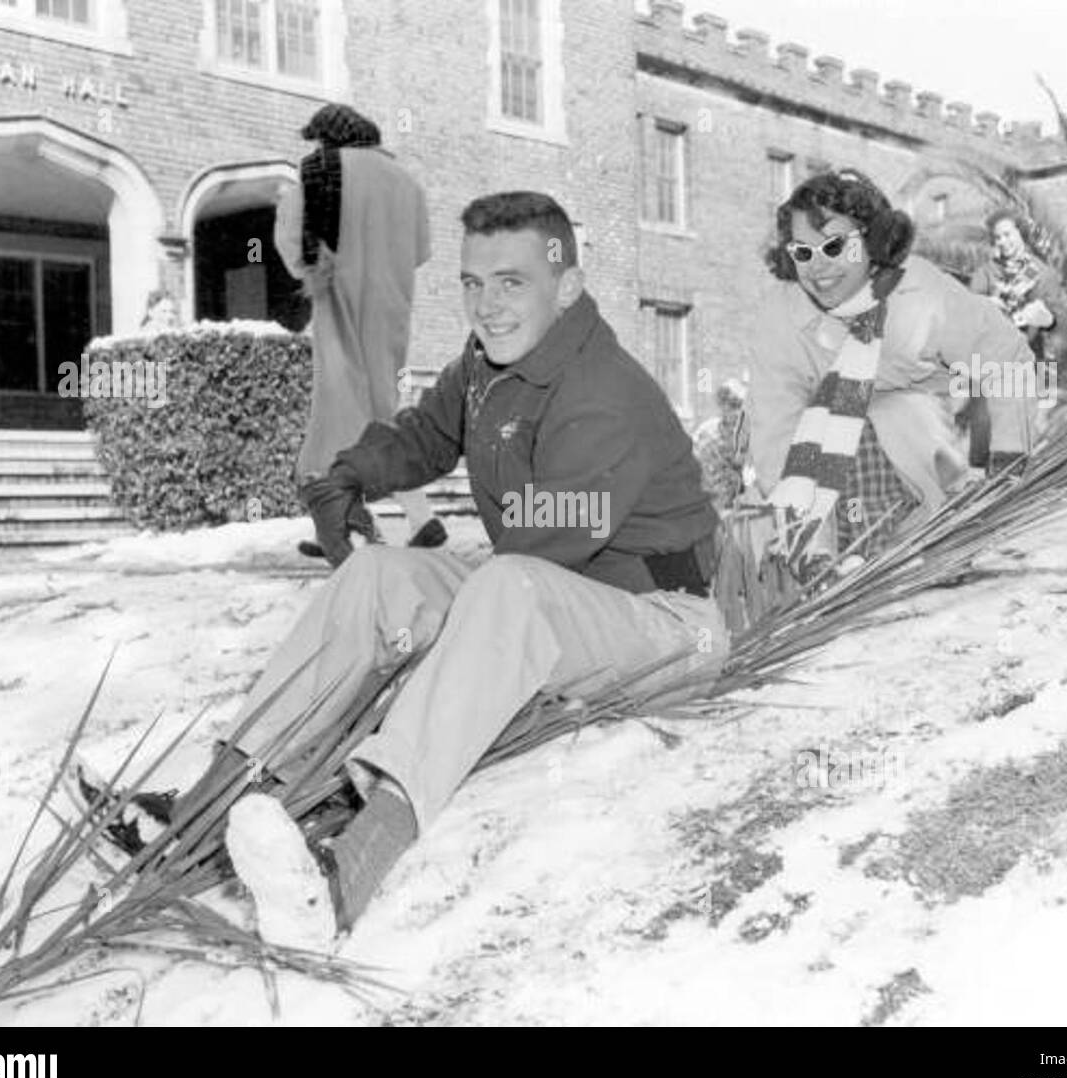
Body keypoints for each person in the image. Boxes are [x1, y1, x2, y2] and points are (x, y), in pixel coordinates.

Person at [84, 192, 728, 951]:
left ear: (569, 285)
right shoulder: (489, 364)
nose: (486, 305)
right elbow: (427, 432)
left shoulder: (604, 393)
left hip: (666, 625)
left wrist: (405, 660)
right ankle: (200, 812)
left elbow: (540, 552)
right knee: (377, 576)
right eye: (471, 281)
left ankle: (343, 877)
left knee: (501, 586)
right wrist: (346, 478)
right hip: (554, 595)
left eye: (511, 281)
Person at [743, 169, 1041, 580]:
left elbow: (1005, 357)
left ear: (873, 241)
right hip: (834, 476)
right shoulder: (780, 316)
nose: (819, 267)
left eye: (834, 246)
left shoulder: (922, 293)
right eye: (803, 252)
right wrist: (807, 542)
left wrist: (1009, 451)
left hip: (922, 449)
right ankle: (838, 558)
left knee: (894, 409)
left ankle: (939, 535)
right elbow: (776, 431)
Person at [273, 103, 446, 557]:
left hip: (339, 302)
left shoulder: (316, 171)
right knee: (375, 410)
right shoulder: (406, 182)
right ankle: (417, 518)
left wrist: (315, 264)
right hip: (391, 306)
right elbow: (420, 251)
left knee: (341, 413)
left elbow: (292, 241)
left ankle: (350, 525)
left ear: (327, 138)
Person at [966, 210, 1062, 466]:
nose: (1003, 242)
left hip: (1035, 363)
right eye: (997, 238)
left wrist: (1047, 319)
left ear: (1022, 234)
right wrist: (986, 305)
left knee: (1033, 434)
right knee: (985, 430)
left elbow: (1059, 323)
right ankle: (982, 483)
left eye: (1008, 234)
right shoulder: (985, 274)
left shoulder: (1044, 274)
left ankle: (1029, 486)